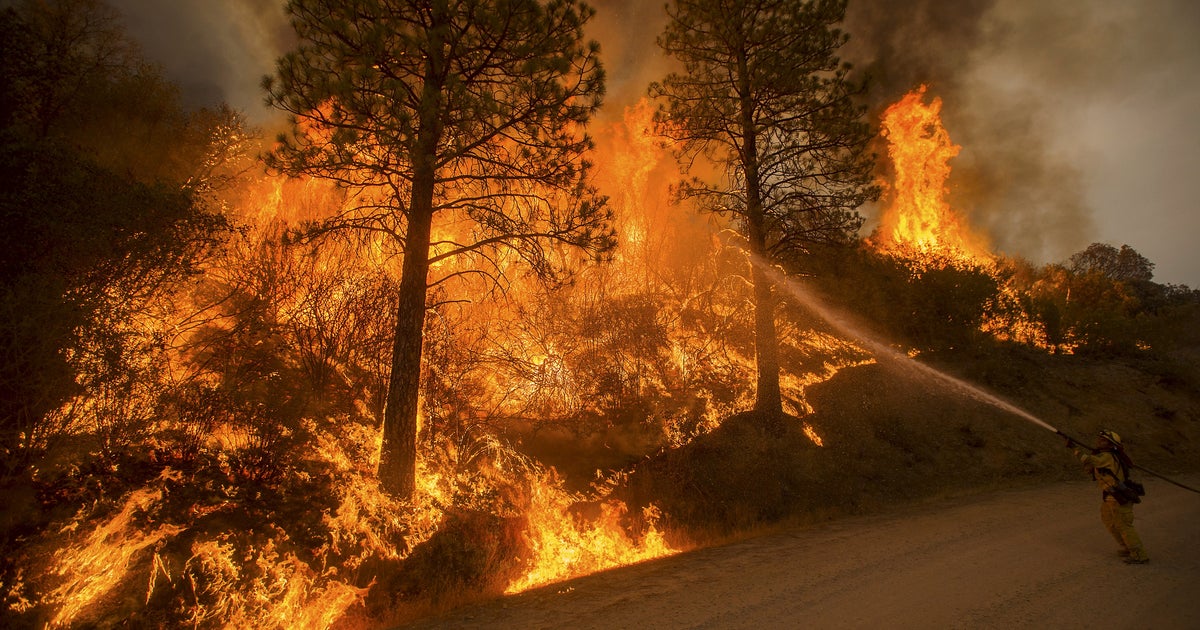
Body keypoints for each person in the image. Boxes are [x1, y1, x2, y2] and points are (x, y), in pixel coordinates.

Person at [1067, 429, 1149, 564]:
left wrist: (1073, 447)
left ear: (1111, 444)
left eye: (1103, 440)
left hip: (1118, 498)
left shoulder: (1108, 456)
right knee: (1110, 523)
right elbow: (1090, 466)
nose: (1099, 441)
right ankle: (1128, 548)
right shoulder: (1104, 456)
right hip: (1109, 497)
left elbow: (1087, 459)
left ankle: (1140, 555)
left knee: (1123, 526)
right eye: (1099, 439)